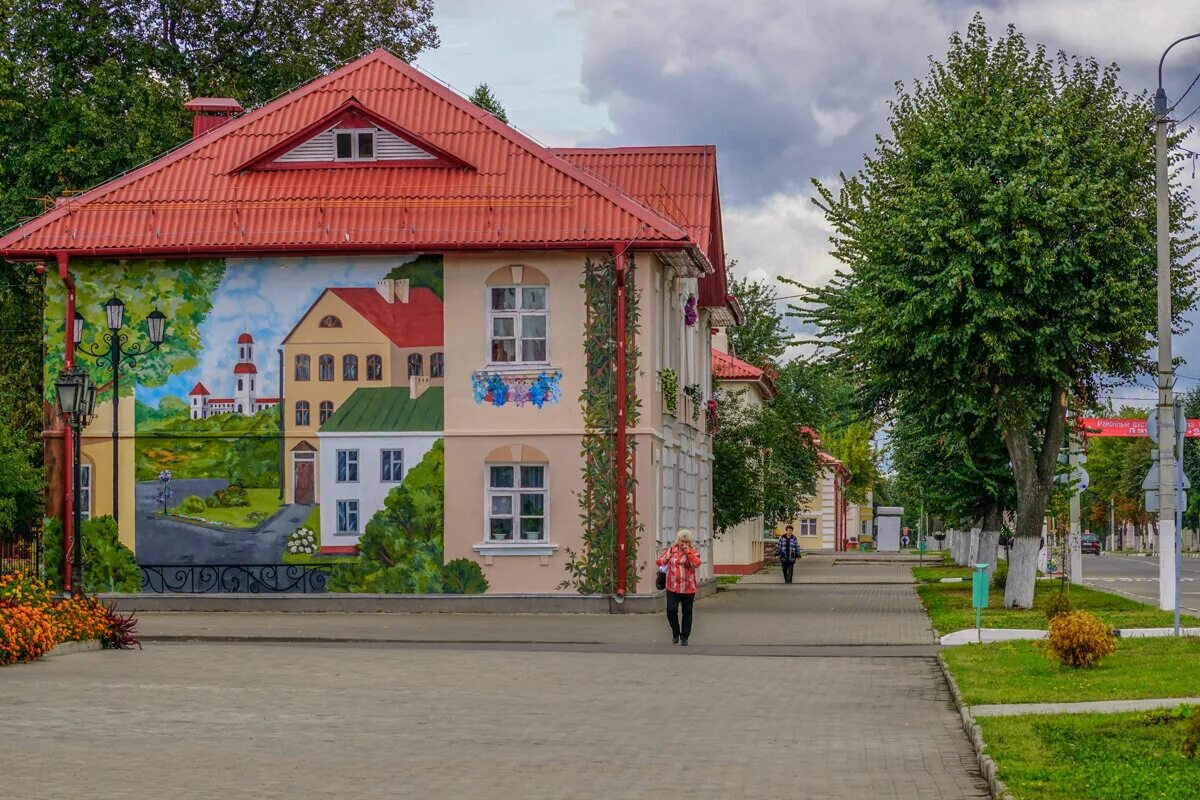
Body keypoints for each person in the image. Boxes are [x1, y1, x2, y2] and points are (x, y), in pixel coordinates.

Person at [656, 529, 702, 646]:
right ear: (678, 541)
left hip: (688, 588)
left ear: (689, 542)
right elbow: (659, 562)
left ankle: (684, 637)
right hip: (672, 587)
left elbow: (696, 564)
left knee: (687, 612)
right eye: (682, 541)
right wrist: (664, 559)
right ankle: (675, 632)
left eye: (686, 541)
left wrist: (688, 553)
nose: (684, 544)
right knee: (671, 610)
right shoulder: (671, 550)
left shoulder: (693, 552)